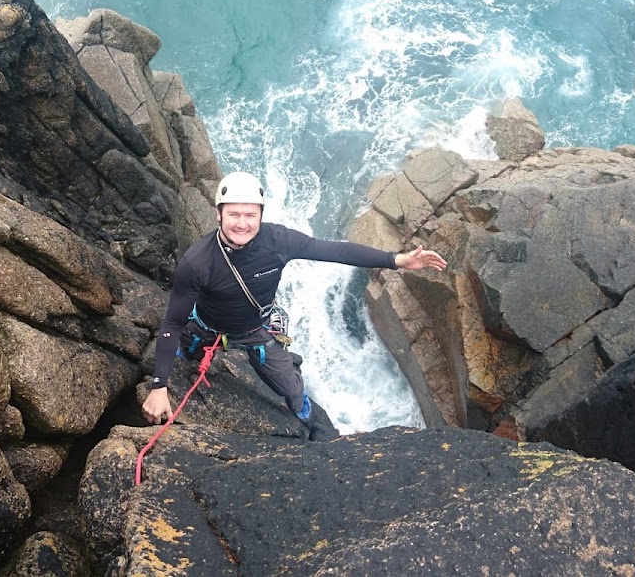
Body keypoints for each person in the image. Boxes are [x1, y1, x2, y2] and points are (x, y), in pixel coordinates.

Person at [142, 171, 448, 426]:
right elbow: (172, 321)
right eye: (233, 213)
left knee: (292, 388)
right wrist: (159, 385)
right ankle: (182, 362)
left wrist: (397, 259)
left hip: (253, 329)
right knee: (184, 356)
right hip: (206, 324)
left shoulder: (278, 242)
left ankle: (302, 413)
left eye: (250, 214)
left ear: (261, 215)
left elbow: (336, 251)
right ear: (218, 214)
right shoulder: (197, 261)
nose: (242, 223)